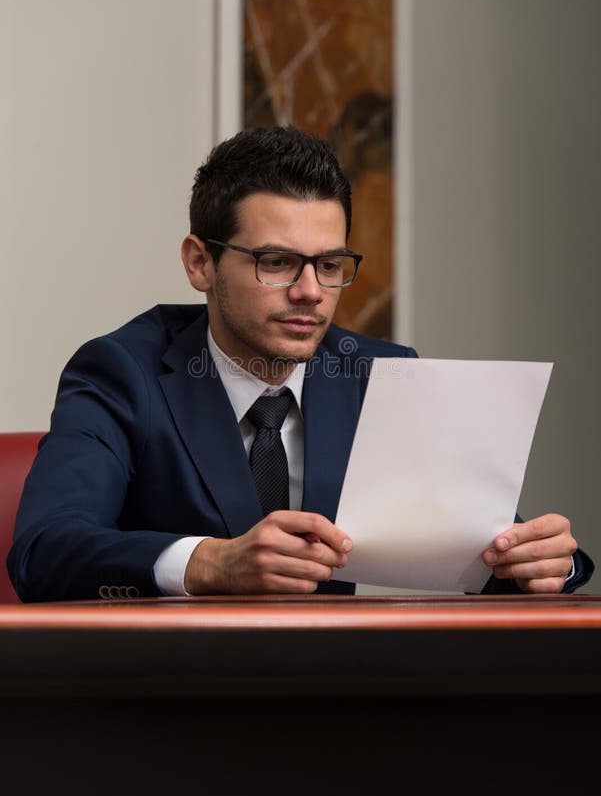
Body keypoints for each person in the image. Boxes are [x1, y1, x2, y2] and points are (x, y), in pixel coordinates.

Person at [8, 126, 594, 601]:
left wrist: (543, 564)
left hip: (349, 703)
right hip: (177, 704)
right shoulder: (122, 372)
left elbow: (488, 549)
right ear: (200, 264)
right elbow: (44, 551)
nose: (311, 292)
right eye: (278, 261)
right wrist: (208, 563)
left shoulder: (384, 377)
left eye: (330, 264)